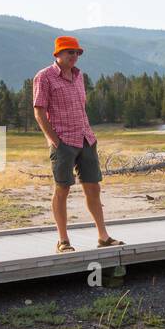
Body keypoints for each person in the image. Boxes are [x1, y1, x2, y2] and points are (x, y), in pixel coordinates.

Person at [32, 35, 122, 252]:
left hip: (86, 139)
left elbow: (81, 107)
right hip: (63, 141)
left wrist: (89, 135)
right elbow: (39, 111)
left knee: (93, 187)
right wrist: (54, 140)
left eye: (77, 53)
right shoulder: (44, 77)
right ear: (58, 54)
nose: (74, 56)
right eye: (70, 52)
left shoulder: (79, 76)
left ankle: (103, 236)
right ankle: (63, 240)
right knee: (62, 188)